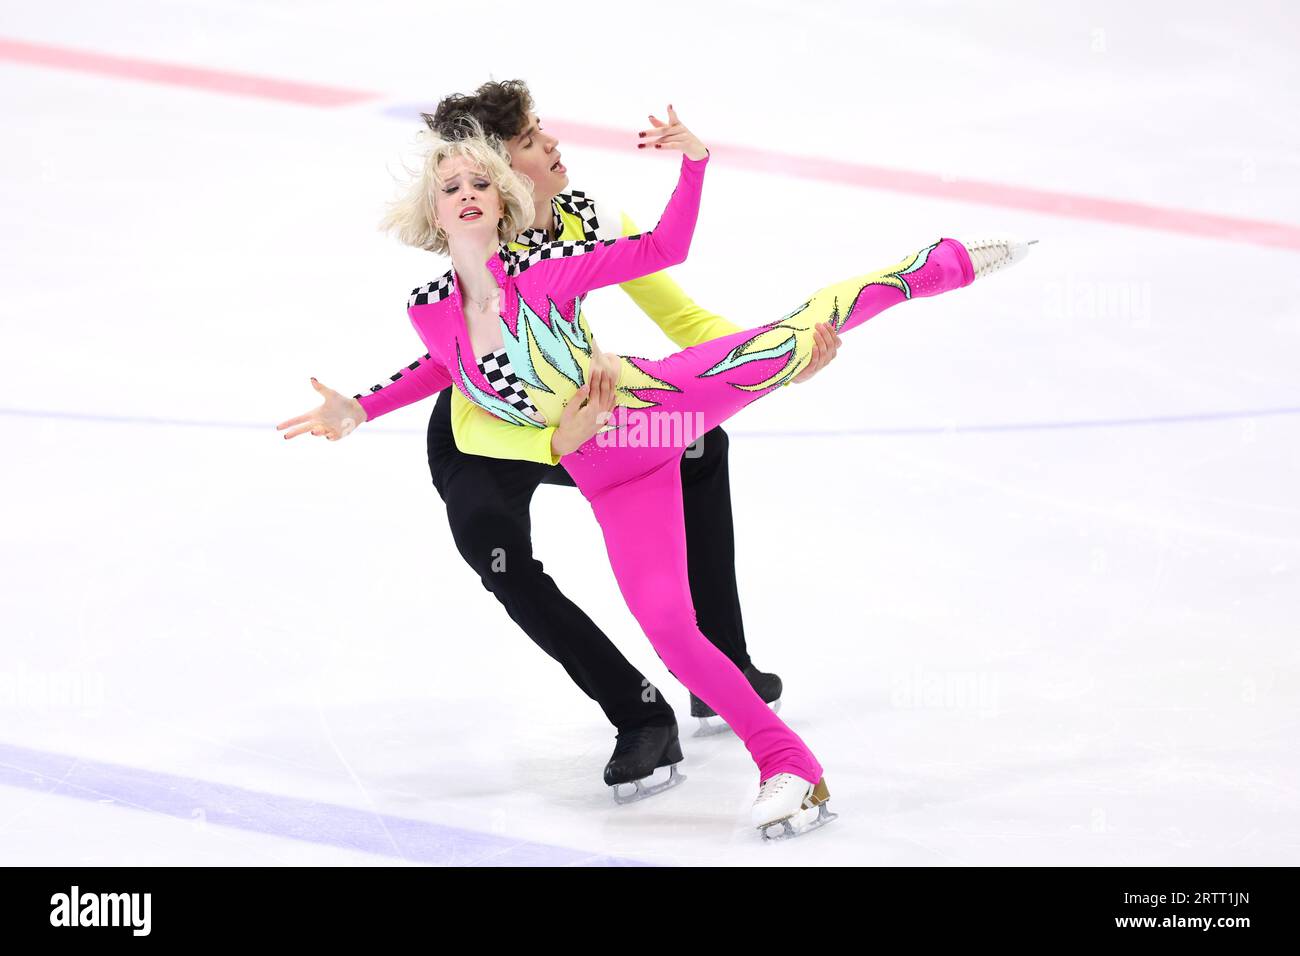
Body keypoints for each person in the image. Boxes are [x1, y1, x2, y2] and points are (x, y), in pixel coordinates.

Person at [278, 107, 1032, 837]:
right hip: (614, 477)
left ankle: (938, 266)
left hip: (661, 408)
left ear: (502, 197)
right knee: (669, 627)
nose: (468, 195)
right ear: (433, 213)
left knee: (792, 339)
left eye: (481, 183)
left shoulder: (546, 269)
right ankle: (793, 767)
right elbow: (445, 368)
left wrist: (695, 164)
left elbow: (665, 250)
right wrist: (363, 409)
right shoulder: (429, 308)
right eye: (452, 188)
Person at [305, 81, 842, 803]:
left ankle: (721, 667)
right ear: (491, 167)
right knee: (497, 555)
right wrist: (560, 442)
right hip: (485, 429)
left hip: (580, 412)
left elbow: (686, 320)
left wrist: (780, 363)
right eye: (530, 138)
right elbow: (459, 380)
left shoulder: (588, 220)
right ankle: (637, 711)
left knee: (698, 445)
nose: (553, 144)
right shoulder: (467, 261)